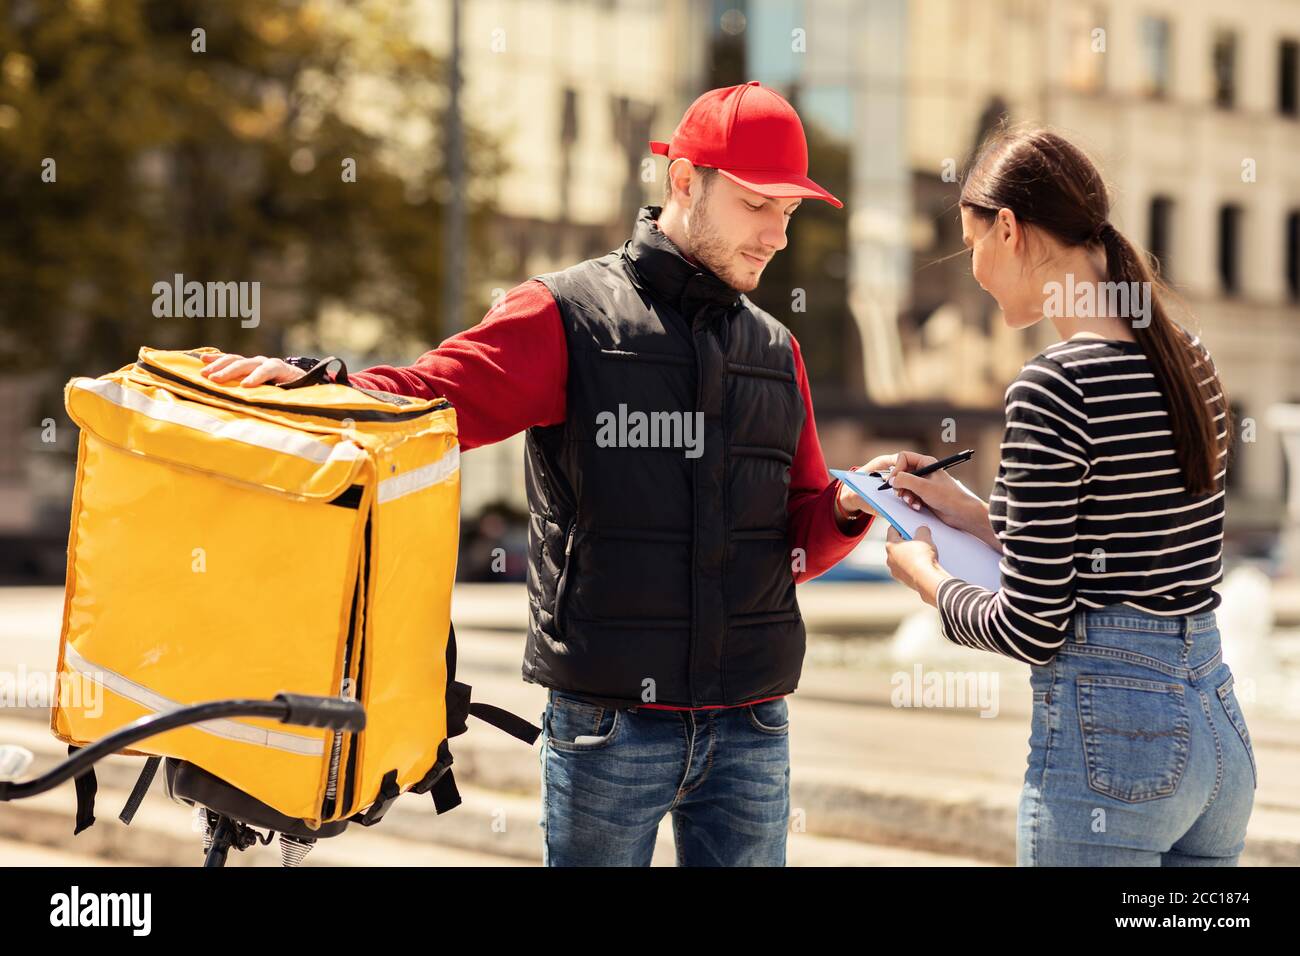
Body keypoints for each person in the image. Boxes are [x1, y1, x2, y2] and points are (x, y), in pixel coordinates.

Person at [197, 81, 895, 866]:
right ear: (686, 182)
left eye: (789, 213)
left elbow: (794, 536)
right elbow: (430, 398)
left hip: (754, 724)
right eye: (756, 205)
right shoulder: (566, 314)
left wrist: (847, 506)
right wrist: (322, 385)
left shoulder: (777, 351)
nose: (776, 236)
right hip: (610, 724)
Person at [877, 126, 1255, 866]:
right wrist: (967, 513)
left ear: (1010, 229)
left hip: (1118, 752)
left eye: (972, 243)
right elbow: (1123, 553)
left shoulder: (1055, 384)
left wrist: (931, 582)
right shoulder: (1190, 359)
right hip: (1217, 730)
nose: (975, 269)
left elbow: (1031, 627)